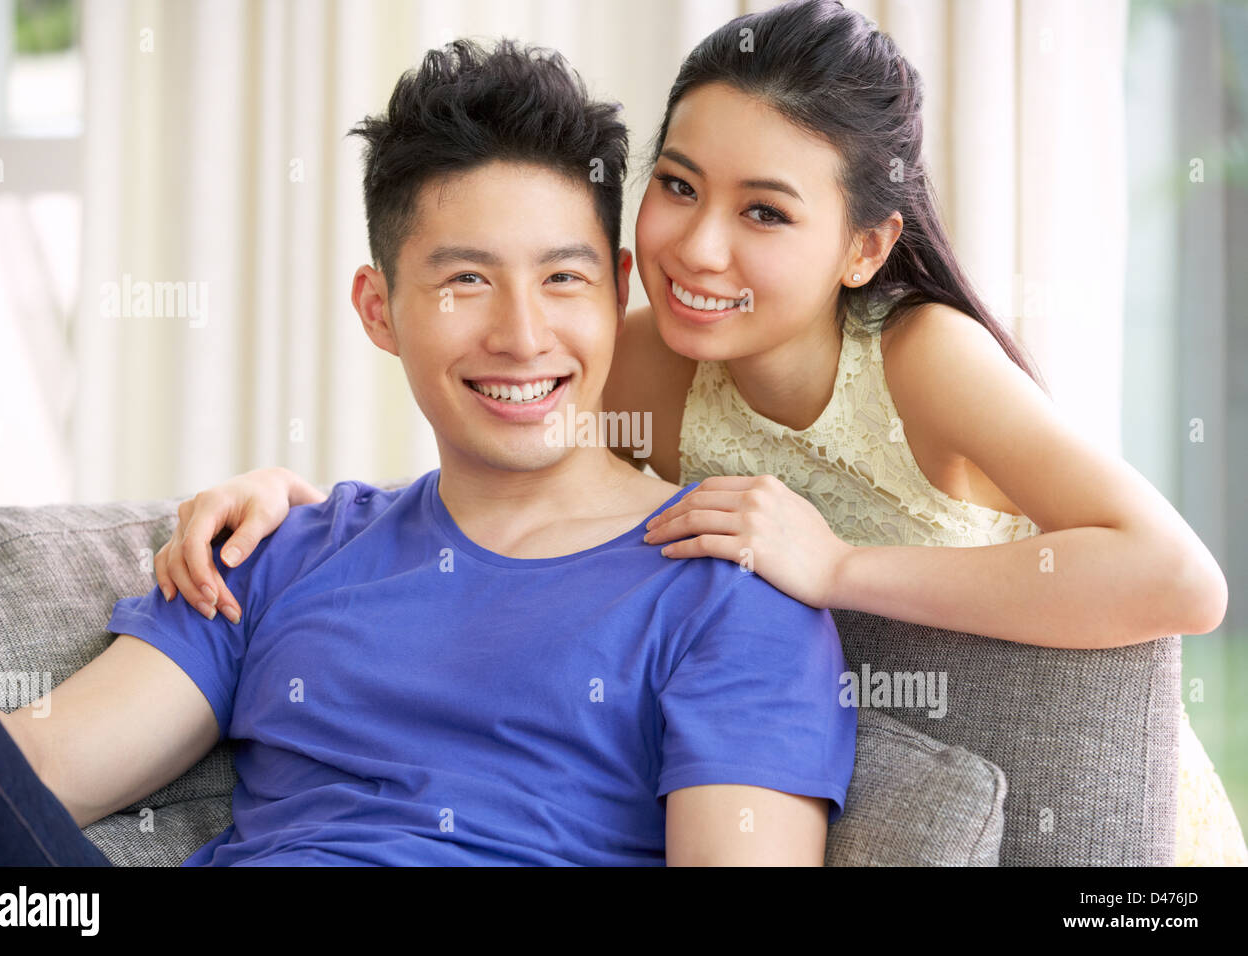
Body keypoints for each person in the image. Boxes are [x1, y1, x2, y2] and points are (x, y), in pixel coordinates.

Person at [157, 0, 1242, 865]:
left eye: (764, 212)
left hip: (1105, 822)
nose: (697, 246)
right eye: (677, 185)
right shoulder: (642, 350)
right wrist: (289, 503)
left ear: (864, 245)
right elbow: (501, 451)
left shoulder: (921, 356)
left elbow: (1179, 580)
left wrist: (840, 565)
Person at [0, 37, 855, 867]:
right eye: (466, 279)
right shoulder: (279, 553)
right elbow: (26, 782)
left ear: (618, 293)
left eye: (562, 278)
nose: (522, 334)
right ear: (378, 309)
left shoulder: (728, 587)